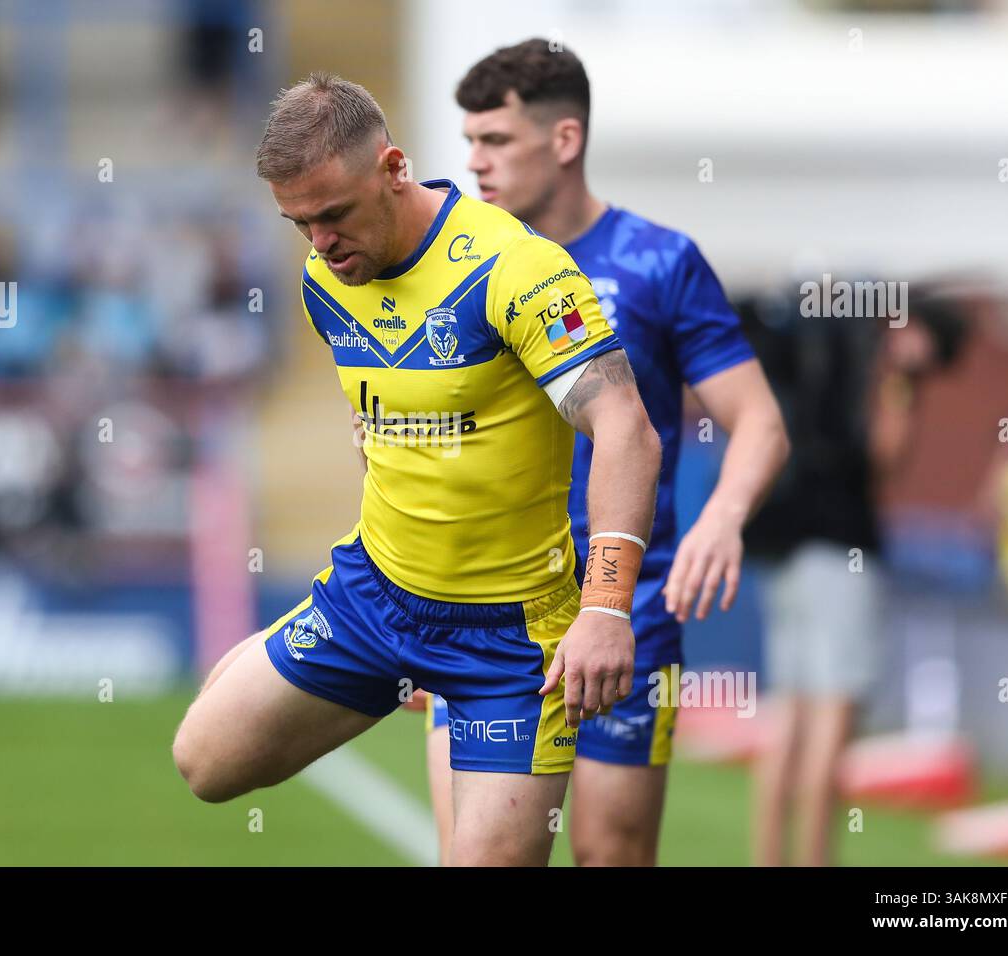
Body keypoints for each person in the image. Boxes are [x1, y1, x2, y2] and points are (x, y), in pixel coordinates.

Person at [172, 72, 663, 867]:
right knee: (205, 763)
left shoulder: (517, 270)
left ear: (394, 168)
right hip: (375, 597)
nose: (321, 244)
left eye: (333, 215)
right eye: (299, 225)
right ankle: (369, 663)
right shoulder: (324, 282)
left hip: (509, 638)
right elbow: (385, 419)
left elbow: (626, 429)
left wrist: (606, 608)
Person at [419, 39, 789, 866]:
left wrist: (721, 518)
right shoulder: (454, 267)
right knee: (478, 855)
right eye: (470, 141)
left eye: (497, 141)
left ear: (564, 139)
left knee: (611, 853)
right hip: (486, 609)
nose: (475, 162)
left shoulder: (660, 263)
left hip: (628, 609)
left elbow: (759, 421)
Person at [739, 287, 967, 866]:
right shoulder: (871, 339)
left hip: (779, 540)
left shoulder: (802, 317)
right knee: (828, 732)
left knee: (789, 719)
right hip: (839, 550)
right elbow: (886, 458)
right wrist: (905, 384)